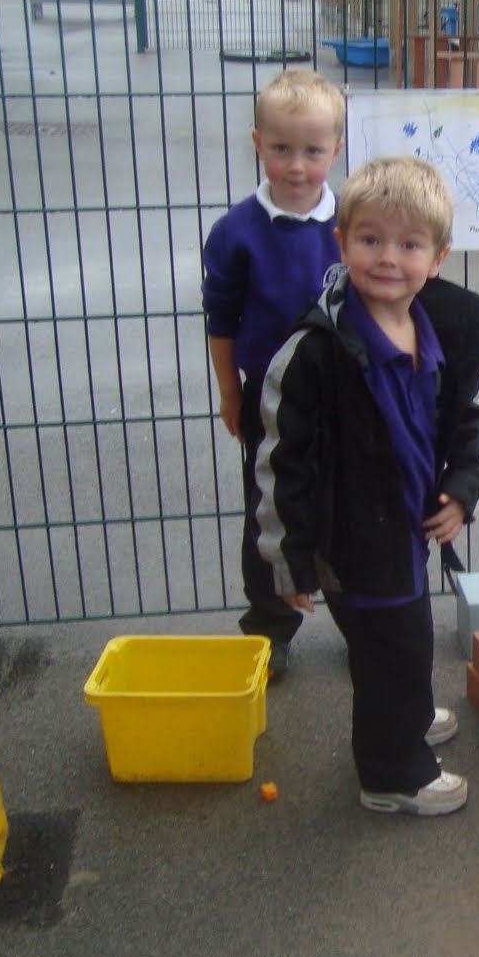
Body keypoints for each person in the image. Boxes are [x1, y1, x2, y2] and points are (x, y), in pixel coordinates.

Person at [252, 155, 479, 816]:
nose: (387, 258)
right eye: (369, 239)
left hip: (406, 527)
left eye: (409, 244)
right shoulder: (316, 352)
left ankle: (410, 711)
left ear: (438, 256)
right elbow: (284, 460)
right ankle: (392, 775)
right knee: (385, 649)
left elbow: (463, 422)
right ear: (341, 242)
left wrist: (460, 489)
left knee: (407, 636)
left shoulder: (436, 330)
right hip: (355, 537)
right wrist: (291, 558)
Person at [201, 68, 346, 679]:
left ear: (335, 150)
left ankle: (361, 620)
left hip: (342, 399)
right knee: (268, 508)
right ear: (257, 142)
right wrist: (230, 392)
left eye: (312, 151)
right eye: (281, 148)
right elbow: (221, 321)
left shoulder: (353, 226)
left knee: (344, 508)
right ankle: (268, 629)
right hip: (267, 402)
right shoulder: (236, 234)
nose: (296, 165)